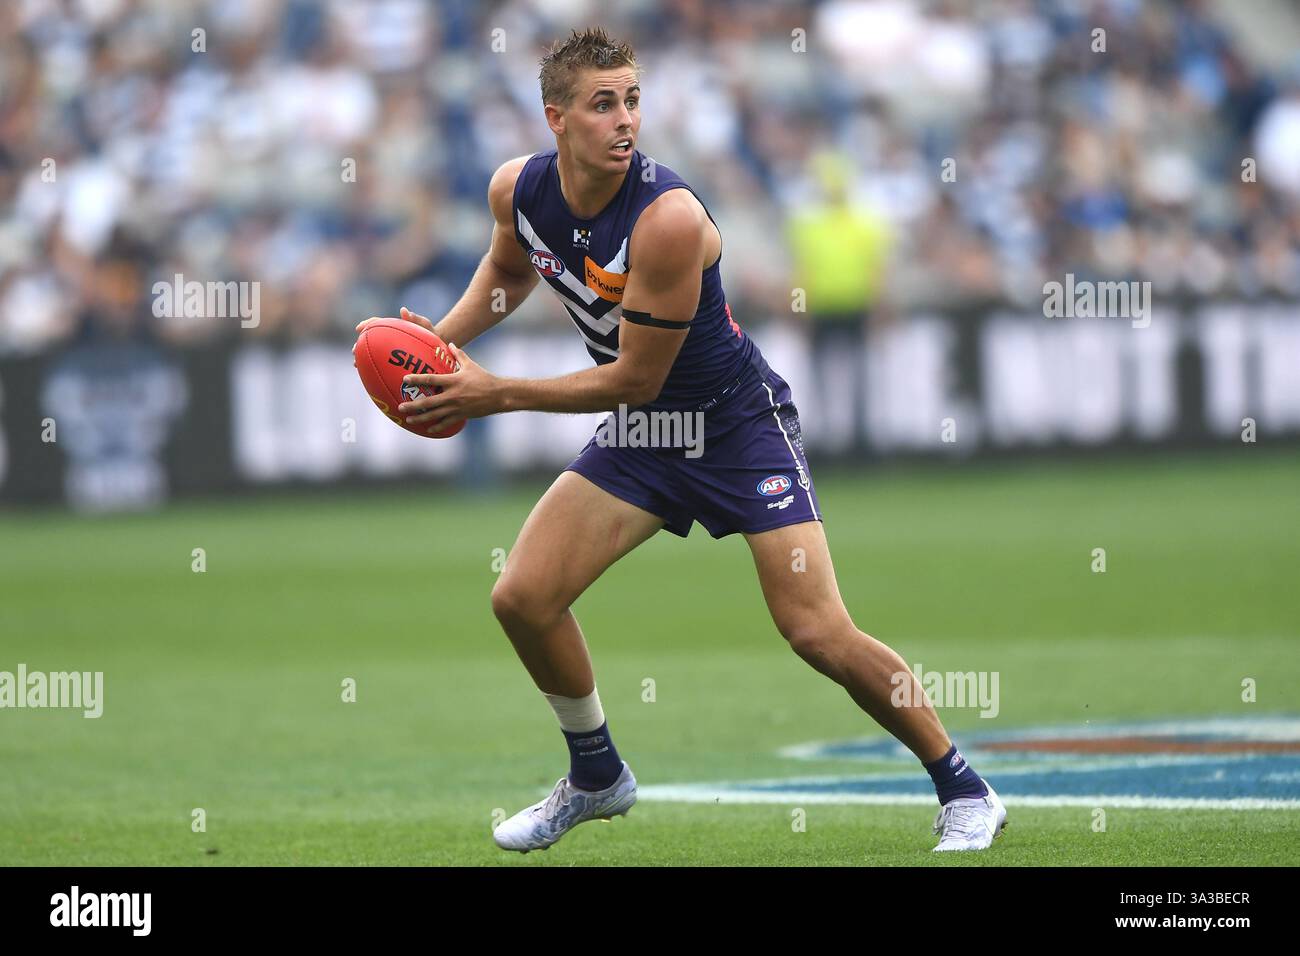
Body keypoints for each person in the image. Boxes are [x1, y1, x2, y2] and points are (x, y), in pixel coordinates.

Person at [356, 28, 1005, 854]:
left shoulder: (667, 219)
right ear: (555, 118)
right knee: (521, 597)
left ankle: (965, 787)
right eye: (603, 104)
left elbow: (636, 379)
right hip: (647, 438)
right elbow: (512, 271)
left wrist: (493, 394)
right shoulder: (516, 190)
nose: (625, 119)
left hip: (734, 426)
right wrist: (441, 345)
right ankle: (596, 775)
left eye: (632, 99)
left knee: (815, 631)